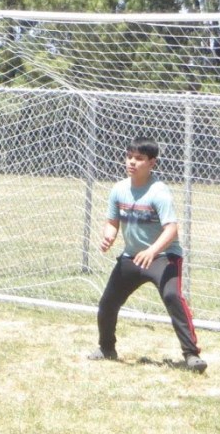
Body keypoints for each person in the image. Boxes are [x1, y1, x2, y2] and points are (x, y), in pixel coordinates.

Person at [88, 136, 206, 373]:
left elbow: (171, 229)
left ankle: (191, 355)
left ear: (152, 163)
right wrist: (109, 236)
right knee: (107, 303)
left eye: (139, 158)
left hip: (163, 257)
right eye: (129, 157)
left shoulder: (159, 191)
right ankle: (106, 348)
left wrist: (153, 251)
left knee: (173, 297)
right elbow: (112, 221)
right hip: (131, 257)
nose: (132, 162)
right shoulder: (119, 189)